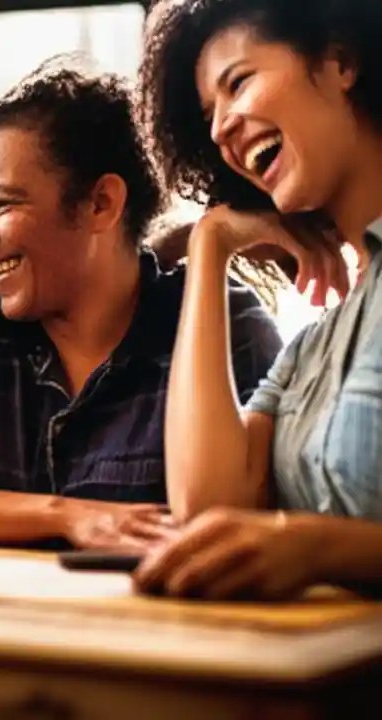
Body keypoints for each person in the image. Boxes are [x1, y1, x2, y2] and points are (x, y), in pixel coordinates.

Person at [0, 60, 283, 549]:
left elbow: (249, 527)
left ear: (101, 203)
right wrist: (64, 516)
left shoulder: (224, 327)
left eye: (1, 205)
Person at [133, 0, 382, 600]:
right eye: (208, 115)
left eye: (238, 83)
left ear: (339, 61)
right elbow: (204, 507)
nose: (220, 130)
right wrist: (211, 243)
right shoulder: (308, 351)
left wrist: (317, 547)